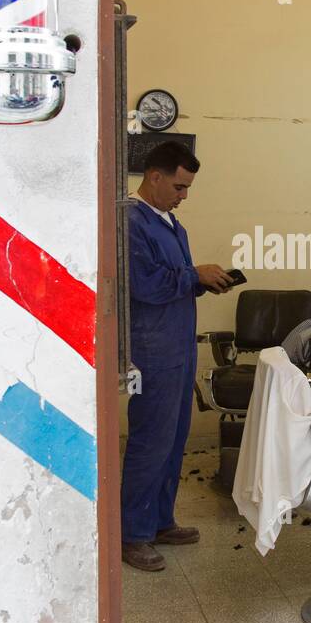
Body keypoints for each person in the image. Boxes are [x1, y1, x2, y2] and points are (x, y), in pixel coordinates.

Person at [121, 141, 231, 571]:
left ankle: (160, 520)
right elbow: (143, 284)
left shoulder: (172, 224)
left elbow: (177, 280)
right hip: (153, 349)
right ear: (155, 176)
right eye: (179, 186)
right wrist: (192, 275)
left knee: (174, 439)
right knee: (151, 440)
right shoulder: (131, 222)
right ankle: (132, 533)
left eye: (187, 188)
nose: (184, 195)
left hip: (180, 344)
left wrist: (206, 280)